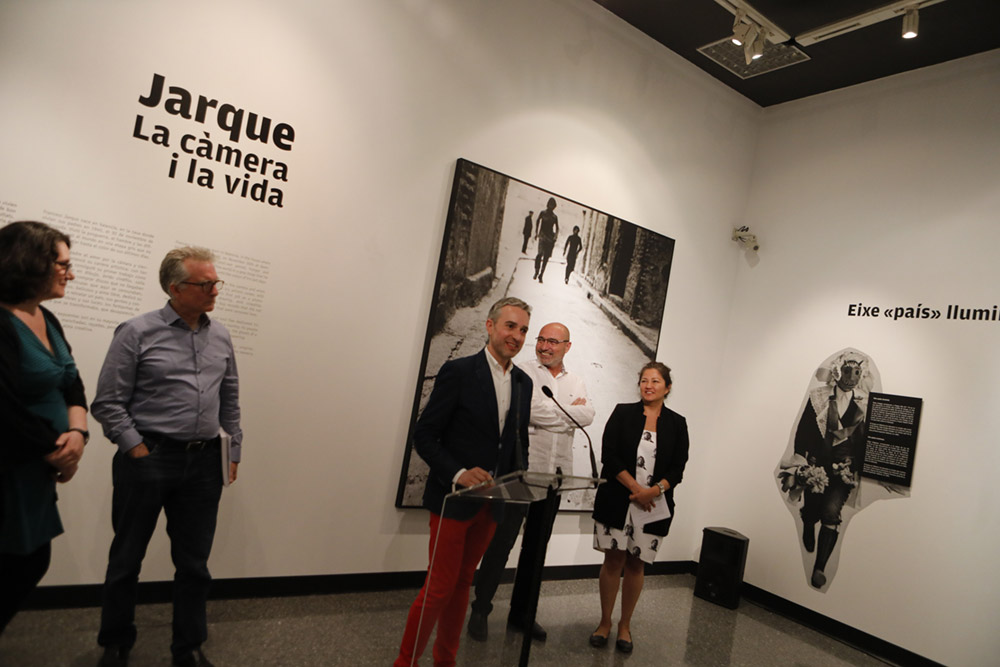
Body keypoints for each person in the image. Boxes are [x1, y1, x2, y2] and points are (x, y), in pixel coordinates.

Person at [92, 247, 242, 667]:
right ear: (175, 288)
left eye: (216, 282)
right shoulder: (136, 332)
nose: (215, 290)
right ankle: (116, 643)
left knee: (194, 563)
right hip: (150, 456)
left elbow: (230, 397)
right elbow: (107, 402)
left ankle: (188, 647)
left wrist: (233, 448)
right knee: (127, 558)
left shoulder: (221, 335)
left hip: (204, 463)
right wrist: (137, 449)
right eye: (205, 283)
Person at [395, 297, 533, 667]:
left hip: (492, 505)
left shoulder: (524, 383)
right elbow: (425, 435)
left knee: (462, 584)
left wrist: (518, 484)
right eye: (510, 326)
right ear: (490, 326)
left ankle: (446, 661)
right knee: (439, 586)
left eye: (523, 330)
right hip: (453, 501)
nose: (516, 335)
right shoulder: (458, 371)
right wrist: (458, 473)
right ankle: (405, 662)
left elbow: (517, 442)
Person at [468, 322, 593, 642]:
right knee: (501, 544)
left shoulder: (576, 380)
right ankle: (480, 609)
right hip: (522, 473)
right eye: (541, 339)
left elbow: (588, 415)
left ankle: (522, 614)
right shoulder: (522, 372)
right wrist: (567, 415)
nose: (545, 346)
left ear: (567, 346)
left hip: (555, 477)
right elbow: (527, 412)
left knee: (536, 550)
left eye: (553, 342)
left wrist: (554, 413)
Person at [0, 221, 88, 636]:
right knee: (16, 564)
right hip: (10, 469)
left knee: (30, 561)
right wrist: (57, 450)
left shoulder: (46, 317)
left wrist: (78, 436)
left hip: (37, 468)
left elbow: (72, 381)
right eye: (63, 265)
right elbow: (3, 406)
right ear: (30, 262)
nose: (71, 274)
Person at [589, 361, 689, 654]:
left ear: (667, 388)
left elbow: (678, 468)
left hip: (653, 507)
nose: (649, 386)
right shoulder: (622, 413)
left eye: (655, 381)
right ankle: (605, 622)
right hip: (617, 500)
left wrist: (653, 492)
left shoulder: (677, 423)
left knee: (636, 564)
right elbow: (609, 455)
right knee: (613, 562)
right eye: (645, 380)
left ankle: (625, 626)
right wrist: (637, 489)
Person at [784, 351, 869, 589]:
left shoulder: (863, 404)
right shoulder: (819, 397)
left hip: (843, 470)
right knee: (812, 508)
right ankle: (808, 522)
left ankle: (819, 568)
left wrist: (857, 468)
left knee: (831, 513)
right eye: (847, 371)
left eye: (856, 372)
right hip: (817, 466)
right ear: (837, 372)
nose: (851, 377)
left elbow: (863, 440)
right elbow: (803, 431)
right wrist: (801, 461)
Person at [532, 198, 558, 283]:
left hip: (550, 239)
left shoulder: (554, 217)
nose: (551, 207)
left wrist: (555, 237)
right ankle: (536, 271)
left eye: (553, 206)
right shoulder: (543, 213)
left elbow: (557, 228)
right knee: (539, 254)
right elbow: (537, 221)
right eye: (550, 205)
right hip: (542, 236)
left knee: (546, 257)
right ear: (548, 204)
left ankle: (541, 275)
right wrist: (536, 232)